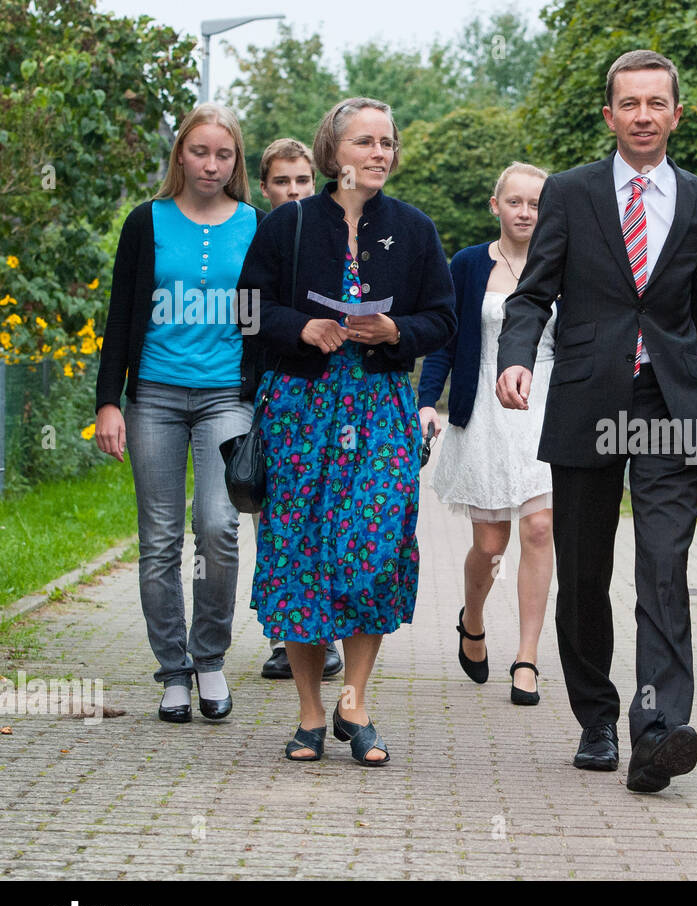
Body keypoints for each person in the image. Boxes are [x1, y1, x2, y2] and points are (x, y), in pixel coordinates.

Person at [497, 50, 697, 793]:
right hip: (590, 402)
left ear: (676, 115)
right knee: (585, 572)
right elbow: (534, 292)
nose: (643, 115)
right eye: (629, 103)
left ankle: (656, 730)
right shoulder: (570, 193)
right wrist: (516, 355)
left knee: (663, 567)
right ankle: (596, 716)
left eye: (657, 103)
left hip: (668, 405)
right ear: (610, 115)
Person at [237, 97, 456, 764]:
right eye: (366, 141)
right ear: (334, 152)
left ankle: (354, 701)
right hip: (300, 408)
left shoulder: (414, 230)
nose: (381, 153)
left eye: (388, 142)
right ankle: (309, 712)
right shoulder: (290, 224)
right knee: (299, 555)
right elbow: (248, 308)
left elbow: (444, 319)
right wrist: (299, 326)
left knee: (375, 547)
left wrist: (396, 331)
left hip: (380, 407)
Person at [94, 103, 262, 724]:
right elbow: (120, 317)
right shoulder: (148, 222)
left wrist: (258, 392)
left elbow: (254, 319)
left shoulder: (253, 225)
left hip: (225, 396)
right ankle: (172, 671)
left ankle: (209, 657)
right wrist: (109, 400)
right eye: (200, 152)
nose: (211, 165)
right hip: (155, 398)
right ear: (180, 156)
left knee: (218, 526)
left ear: (236, 160)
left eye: (223, 154)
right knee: (160, 536)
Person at [417, 162, 553, 706]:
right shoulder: (469, 264)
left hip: (546, 409)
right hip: (486, 412)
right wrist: (427, 401)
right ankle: (472, 620)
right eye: (515, 202)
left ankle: (527, 657)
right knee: (490, 544)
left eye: (537, 203)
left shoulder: (562, 263)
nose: (525, 212)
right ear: (495, 206)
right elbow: (446, 340)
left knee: (540, 528)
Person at [252, 137, 344, 681]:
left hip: (327, 392)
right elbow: (248, 308)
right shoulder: (264, 231)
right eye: (281, 182)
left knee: (325, 513)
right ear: (265, 188)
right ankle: (287, 634)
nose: (292, 191)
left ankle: (324, 633)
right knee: (275, 516)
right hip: (266, 387)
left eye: (301, 181)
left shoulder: (331, 230)